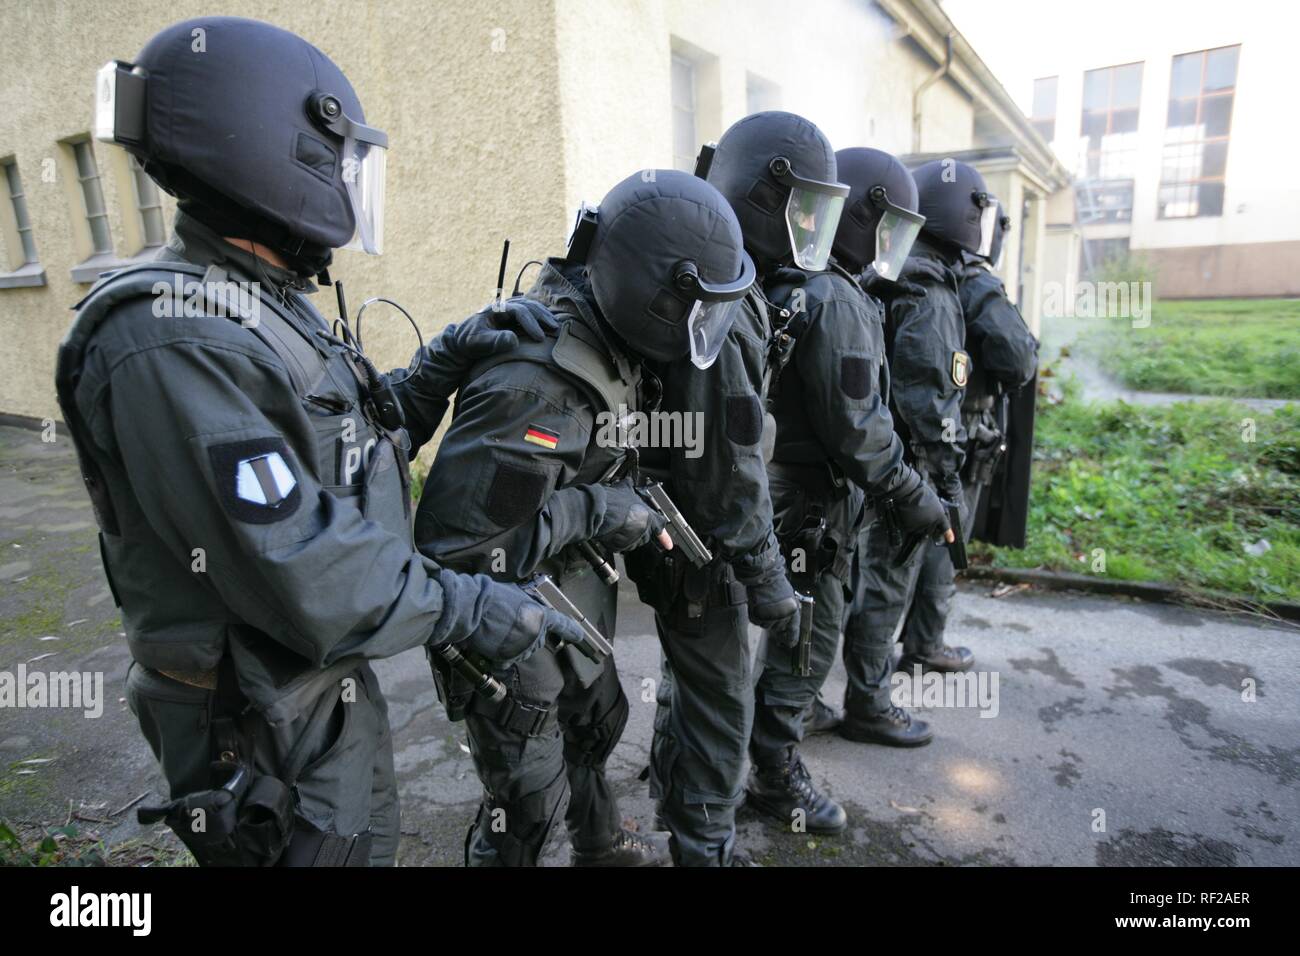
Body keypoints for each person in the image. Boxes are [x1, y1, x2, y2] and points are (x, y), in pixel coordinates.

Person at [55, 17, 586, 867]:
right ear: (271, 150)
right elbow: (304, 563)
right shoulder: (170, 335)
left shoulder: (256, 303)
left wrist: (445, 361)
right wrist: (472, 608)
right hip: (256, 721)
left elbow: (345, 457)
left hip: (315, 689)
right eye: (337, 161)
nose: (346, 184)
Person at [415, 170, 757, 866]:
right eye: (698, 310)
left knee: (596, 726)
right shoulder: (538, 386)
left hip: (568, 590)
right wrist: (604, 510)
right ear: (657, 296)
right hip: (505, 619)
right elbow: (462, 550)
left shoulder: (608, 340)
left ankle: (598, 843)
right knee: (525, 802)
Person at [705, 113, 948, 833]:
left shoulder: (791, 279)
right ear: (860, 214)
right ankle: (775, 775)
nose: (892, 244)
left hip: (783, 490)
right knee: (807, 637)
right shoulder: (834, 296)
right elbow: (858, 429)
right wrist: (912, 493)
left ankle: (705, 759)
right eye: (888, 225)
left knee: (754, 639)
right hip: (812, 501)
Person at [621, 162, 800, 868]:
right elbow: (728, 468)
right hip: (705, 544)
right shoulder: (727, 298)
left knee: (692, 686)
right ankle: (705, 850)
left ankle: (680, 814)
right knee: (721, 706)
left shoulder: (714, 280)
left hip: (682, 533)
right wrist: (768, 578)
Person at [838, 159, 997, 748]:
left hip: (883, 461)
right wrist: (943, 477)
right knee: (885, 586)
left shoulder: (900, 271)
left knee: (867, 583)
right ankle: (869, 705)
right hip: (908, 467)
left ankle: (836, 701)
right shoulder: (928, 288)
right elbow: (929, 400)